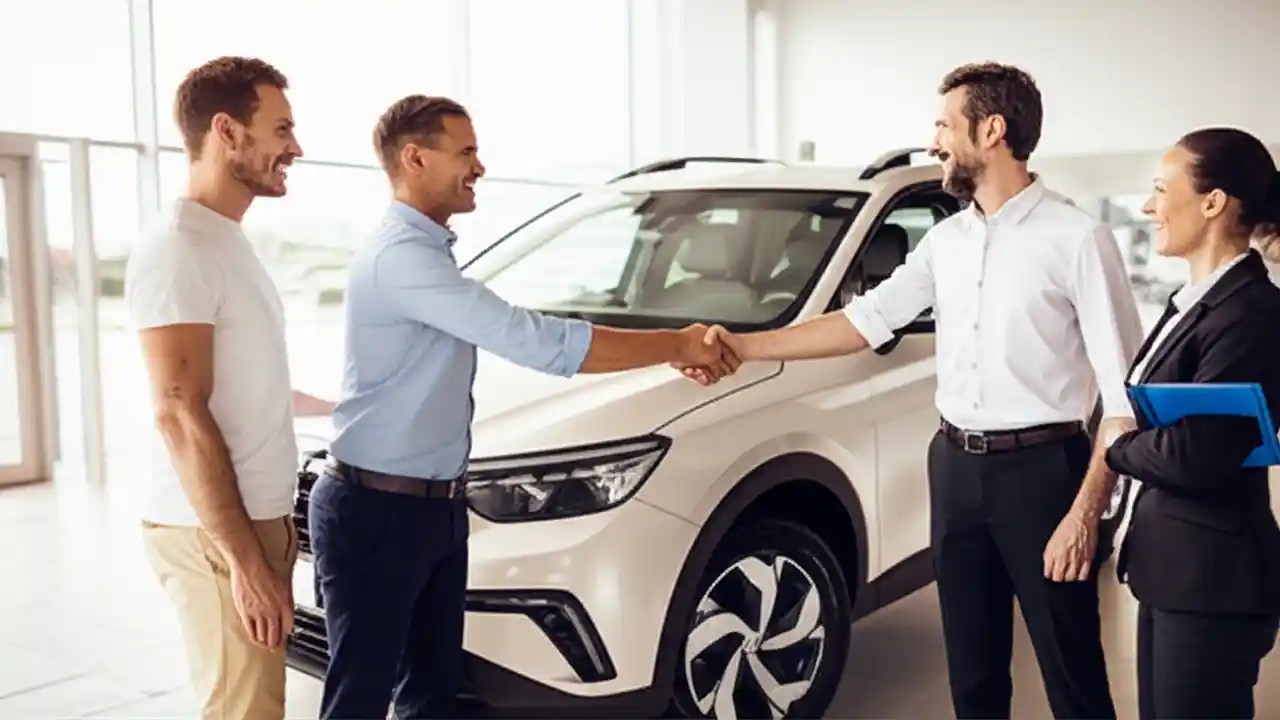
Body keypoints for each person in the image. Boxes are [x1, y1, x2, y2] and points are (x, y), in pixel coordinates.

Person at [682, 62, 1144, 719]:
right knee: (973, 672)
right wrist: (744, 347)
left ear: (991, 130)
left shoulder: (1076, 240)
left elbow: (1123, 395)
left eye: (943, 125)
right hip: (953, 466)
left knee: (1071, 671)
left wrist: (1085, 511)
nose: (935, 142)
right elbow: (864, 321)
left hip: (1045, 474)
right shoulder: (947, 241)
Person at [308, 94, 737, 719]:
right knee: (360, 699)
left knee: (430, 694)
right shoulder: (400, 259)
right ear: (415, 157)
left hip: (434, 506)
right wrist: (676, 343)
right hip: (379, 512)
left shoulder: (427, 253)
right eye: (467, 152)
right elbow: (536, 341)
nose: (479, 166)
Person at [125, 56, 334, 720]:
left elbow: (242, 384)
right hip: (215, 533)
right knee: (244, 712)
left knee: (257, 703)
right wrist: (246, 561)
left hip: (251, 521)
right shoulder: (178, 247)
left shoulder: (225, 242)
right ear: (228, 130)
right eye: (281, 128)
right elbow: (179, 412)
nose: (294, 148)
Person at [1103, 127, 1280, 719]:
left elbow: (1198, 453)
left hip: (1213, 583)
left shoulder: (1249, 312)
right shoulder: (1201, 301)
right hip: (1178, 572)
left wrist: (1119, 444)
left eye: (1159, 190)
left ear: (1213, 202)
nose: (1149, 207)